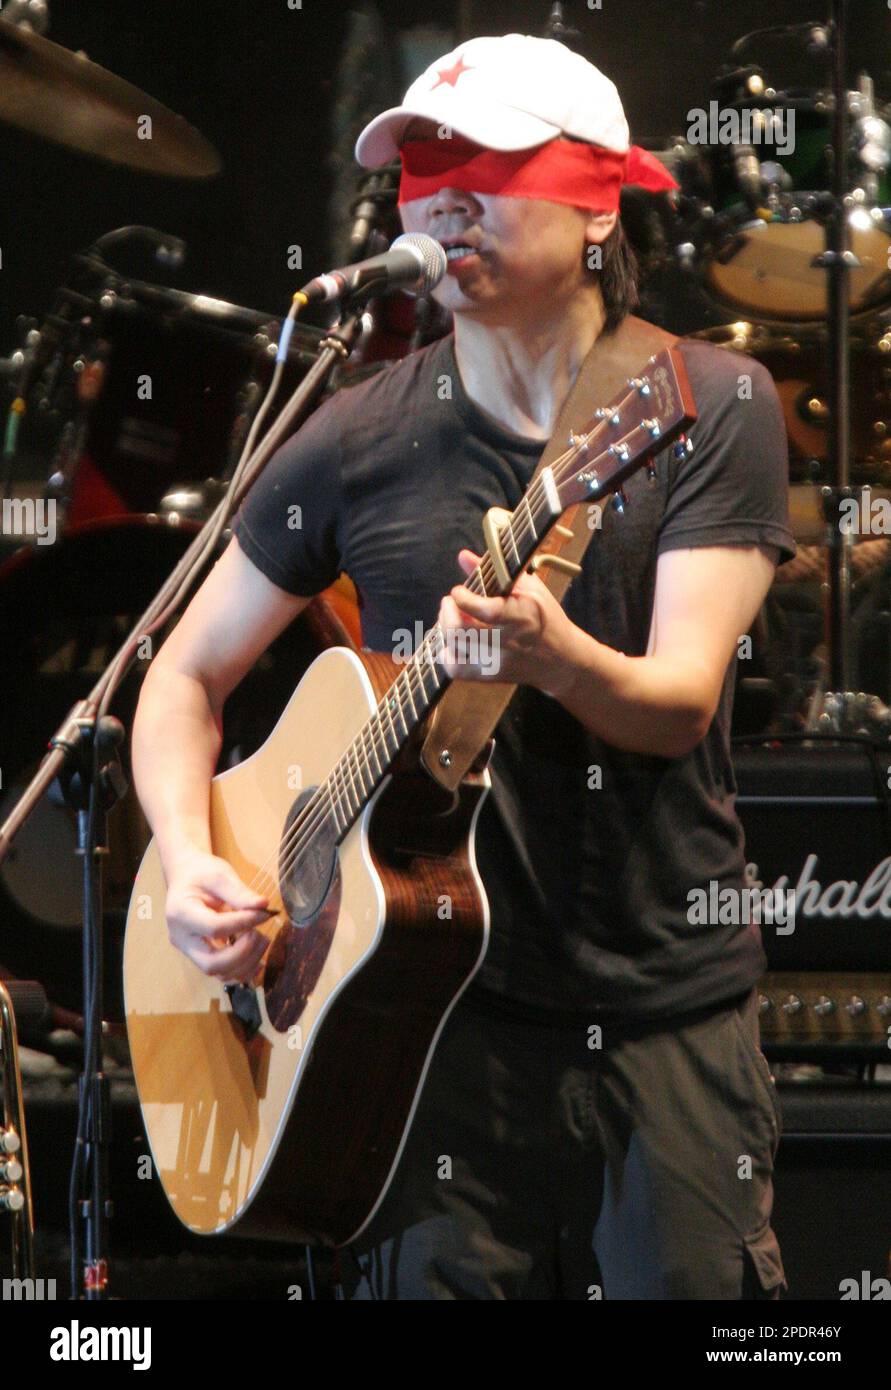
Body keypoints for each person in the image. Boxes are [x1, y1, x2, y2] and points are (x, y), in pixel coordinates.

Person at [131, 33, 795, 1299]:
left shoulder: (707, 403)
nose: (439, 199)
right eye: (422, 169)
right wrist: (189, 858)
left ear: (599, 198)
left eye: (486, 166)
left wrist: (553, 657)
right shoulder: (355, 426)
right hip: (418, 1034)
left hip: (660, 1018)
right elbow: (178, 678)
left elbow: (675, 706)